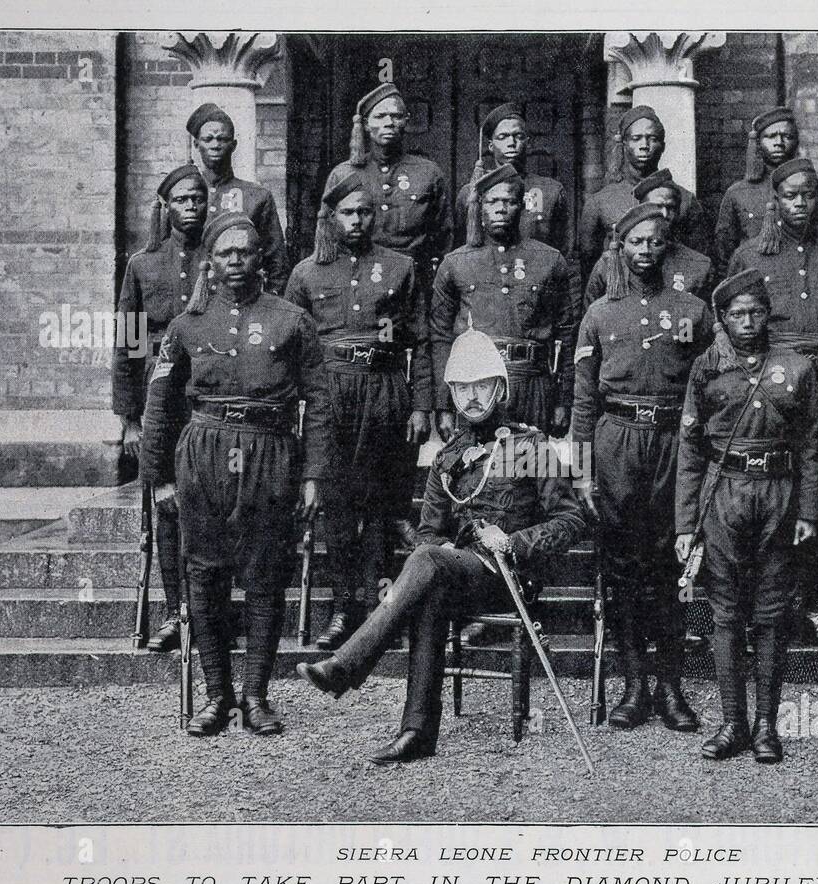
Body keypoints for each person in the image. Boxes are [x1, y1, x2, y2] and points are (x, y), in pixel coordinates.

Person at [297, 326, 587, 765]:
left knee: (428, 567)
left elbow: (570, 520)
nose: (471, 398)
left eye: (481, 386)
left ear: (501, 388)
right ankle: (416, 731)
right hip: (458, 572)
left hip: (511, 575)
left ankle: (347, 666)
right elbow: (430, 533)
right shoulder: (448, 458)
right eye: (461, 388)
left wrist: (515, 541)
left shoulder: (531, 445)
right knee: (429, 581)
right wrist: (446, 550)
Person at [142, 213, 332, 736]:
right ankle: (216, 695)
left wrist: (314, 475)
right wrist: (158, 478)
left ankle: (256, 697)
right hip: (204, 455)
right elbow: (159, 407)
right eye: (225, 253)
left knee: (267, 574)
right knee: (204, 575)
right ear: (211, 262)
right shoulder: (186, 325)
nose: (235, 261)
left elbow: (318, 403)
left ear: (260, 258)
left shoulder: (292, 319)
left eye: (244, 252)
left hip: (271, 456)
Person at [675, 271, 818, 763]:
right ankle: (731, 723)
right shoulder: (706, 369)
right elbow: (691, 449)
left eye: (755, 313)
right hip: (723, 496)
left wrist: (808, 509)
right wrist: (685, 524)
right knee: (725, 613)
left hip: (778, 495)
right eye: (737, 315)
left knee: (769, 613)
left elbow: (811, 445)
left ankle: (766, 726)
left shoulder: (797, 368)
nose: (747, 323)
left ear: (768, 315)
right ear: (722, 319)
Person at [572, 203, 715, 733]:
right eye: (637, 243)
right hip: (617, 445)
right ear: (621, 247)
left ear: (667, 245)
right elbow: (584, 398)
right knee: (624, 567)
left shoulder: (695, 310)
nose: (647, 251)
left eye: (656, 241)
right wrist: (582, 469)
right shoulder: (600, 314)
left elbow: (709, 387)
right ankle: (633, 685)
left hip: (675, 444)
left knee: (675, 566)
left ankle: (671, 686)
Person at [727, 158, 818, 652]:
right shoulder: (750, 257)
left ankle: (811, 607)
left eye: (808, 194)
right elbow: (731, 333)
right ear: (774, 201)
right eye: (790, 195)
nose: (799, 203)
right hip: (770, 388)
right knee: (765, 496)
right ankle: (758, 614)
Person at [284, 169, 431, 650]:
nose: (357, 221)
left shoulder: (399, 267)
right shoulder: (306, 273)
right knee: (336, 506)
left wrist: (421, 405)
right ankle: (344, 608)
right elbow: (291, 346)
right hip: (331, 394)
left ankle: (380, 609)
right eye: (347, 213)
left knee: (383, 504)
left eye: (365, 212)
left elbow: (421, 340)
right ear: (330, 217)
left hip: (386, 389)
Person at [322, 82, 452, 540]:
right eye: (380, 117)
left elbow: (442, 239)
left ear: (407, 122)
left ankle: (397, 511)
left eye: (397, 116)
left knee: (394, 401)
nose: (390, 124)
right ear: (365, 124)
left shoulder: (427, 173)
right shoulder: (345, 171)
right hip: (353, 297)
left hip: (405, 288)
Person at [114, 164, 207, 651]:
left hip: (208, 394)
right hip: (159, 398)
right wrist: (131, 417)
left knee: (211, 502)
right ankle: (176, 612)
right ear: (166, 207)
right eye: (182, 200)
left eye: (198, 199)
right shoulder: (142, 265)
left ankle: (211, 611)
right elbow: (128, 344)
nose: (191, 207)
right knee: (166, 507)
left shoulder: (222, 256)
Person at [432, 163, 580, 437]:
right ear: (479, 207)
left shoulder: (549, 261)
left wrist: (563, 399)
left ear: (522, 206)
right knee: (476, 470)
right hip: (476, 385)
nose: (501, 208)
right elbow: (440, 336)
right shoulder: (455, 263)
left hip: (532, 384)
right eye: (493, 202)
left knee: (530, 470)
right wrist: (443, 404)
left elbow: (566, 334)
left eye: (509, 201)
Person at [577, 105, 709, 279]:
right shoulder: (600, 201)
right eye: (636, 138)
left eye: (652, 139)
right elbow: (588, 264)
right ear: (624, 144)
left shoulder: (684, 200)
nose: (644, 146)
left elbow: (698, 260)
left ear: (662, 146)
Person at [714, 106, 818, 275]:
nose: (779, 143)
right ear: (758, 143)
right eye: (771, 136)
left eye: (787, 136)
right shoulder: (737, 193)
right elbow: (724, 255)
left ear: (796, 141)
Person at [186, 102, 288, 294]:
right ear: (196, 144)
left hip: (239, 301)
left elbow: (276, 262)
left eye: (222, 139)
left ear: (233, 145)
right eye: (208, 139)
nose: (215, 145)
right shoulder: (184, 197)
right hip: (192, 300)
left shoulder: (257, 197)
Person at [453, 102, 572, 257]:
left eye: (518, 136)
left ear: (528, 143)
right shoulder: (471, 192)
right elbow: (459, 253)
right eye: (503, 137)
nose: (511, 143)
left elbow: (564, 253)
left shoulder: (551, 191)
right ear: (490, 146)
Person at [583, 168, 713, 309]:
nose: (664, 214)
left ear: (678, 211)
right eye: (656, 207)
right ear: (641, 209)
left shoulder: (699, 265)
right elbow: (591, 318)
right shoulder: (611, 263)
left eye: (670, 208)